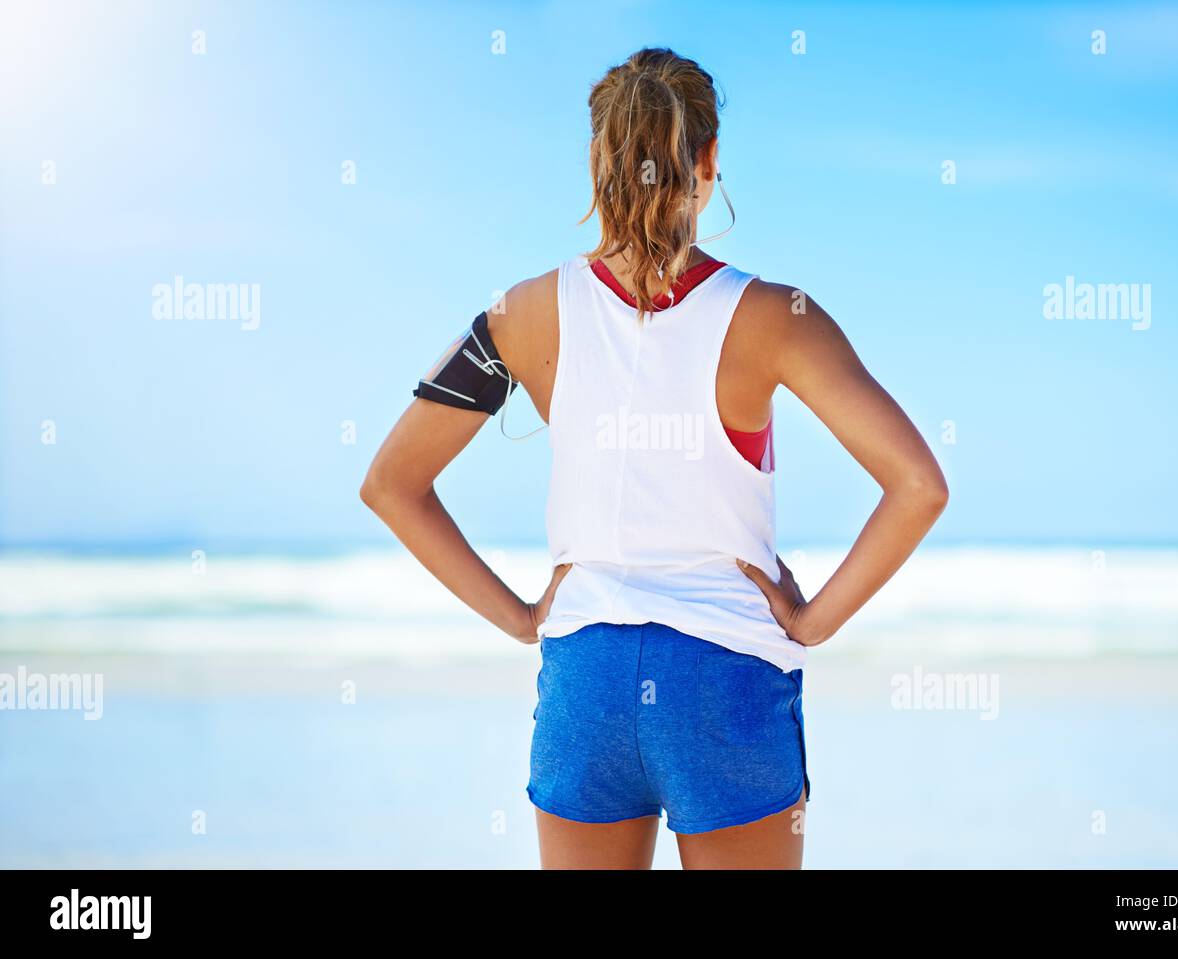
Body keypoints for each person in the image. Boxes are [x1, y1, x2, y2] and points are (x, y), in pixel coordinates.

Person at [361, 47, 948, 869]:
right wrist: (813, 621)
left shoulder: (518, 315)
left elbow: (390, 483)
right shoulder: (777, 316)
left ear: (599, 162)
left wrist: (524, 617)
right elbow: (918, 484)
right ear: (707, 162)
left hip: (586, 681)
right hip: (724, 680)